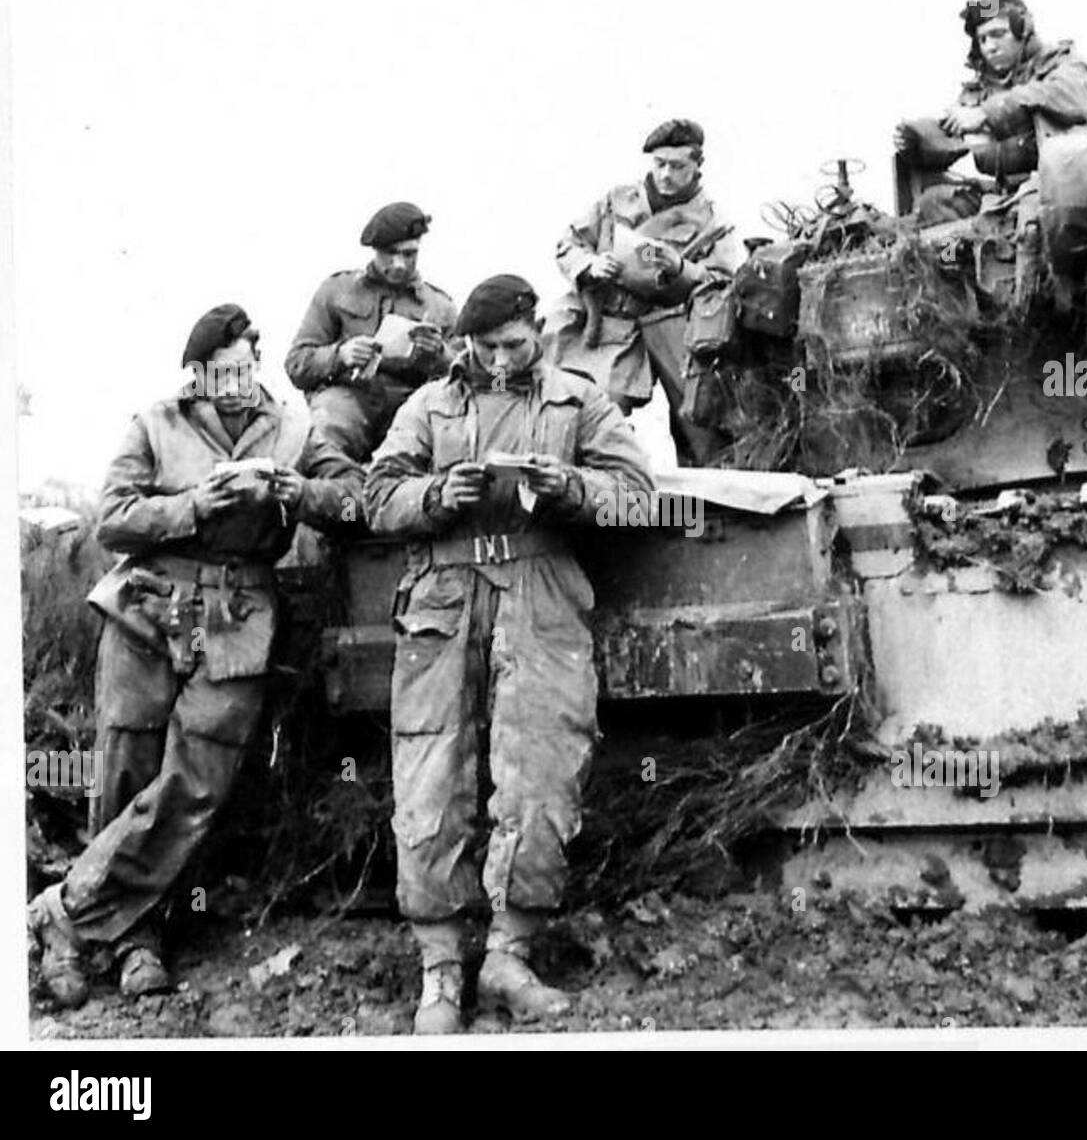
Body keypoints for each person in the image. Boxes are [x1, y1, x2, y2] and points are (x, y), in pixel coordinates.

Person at [28, 305, 363, 1008]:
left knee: (194, 787)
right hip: (148, 604)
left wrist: (297, 491)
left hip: (239, 615)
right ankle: (135, 941)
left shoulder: (296, 428)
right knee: (124, 769)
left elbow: (352, 495)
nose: (238, 383)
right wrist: (191, 506)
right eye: (223, 372)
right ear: (199, 373)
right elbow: (114, 515)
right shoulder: (155, 422)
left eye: (247, 367)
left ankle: (63, 916)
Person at [364, 274, 654, 1034]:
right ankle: (439, 971)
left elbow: (637, 492)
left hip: (541, 584)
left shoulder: (579, 399)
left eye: (514, 344)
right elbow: (375, 495)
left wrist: (570, 488)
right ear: (465, 343)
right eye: (485, 347)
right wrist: (433, 497)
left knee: (542, 768)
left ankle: (509, 954)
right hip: (443, 592)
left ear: (537, 330)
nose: (499, 359)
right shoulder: (428, 404)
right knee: (430, 774)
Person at [550, 119, 745, 465]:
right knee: (588, 413)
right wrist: (590, 265)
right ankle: (593, 496)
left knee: (699, 422)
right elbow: (569, 243)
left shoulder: (713, 222)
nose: (666, 174)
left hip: (671, 330)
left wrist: (680, 268)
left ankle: (701, 511)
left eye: (678, 166)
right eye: (659, 164)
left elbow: (722, 280)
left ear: (698, 166)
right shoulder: (617, 200)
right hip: (606, 324)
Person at [893, 0, 1087, 225]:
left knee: (1029, 220)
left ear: (1021, 29)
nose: (990, 47)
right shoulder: (980, 91)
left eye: (998, 34)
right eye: (982, 39)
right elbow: (948, 137)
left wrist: (987, 113)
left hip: (1062, 190)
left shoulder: (1061, 63)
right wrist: (915, 140)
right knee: (933, 204)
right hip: (1004, 194)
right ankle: (950, 259)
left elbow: (1074, 96)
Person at [285, 202, 459, 461]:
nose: (399, 264)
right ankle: (343, 501)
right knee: (323, 436)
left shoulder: (440, 307)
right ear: (375, 251)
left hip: (410, 405)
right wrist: (341, 355)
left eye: (409, 254)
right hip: (349, 398)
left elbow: (472, 376)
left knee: (446, 441)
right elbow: (296, 363)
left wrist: (440, 354)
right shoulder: (337, 290)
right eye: (390, 253)